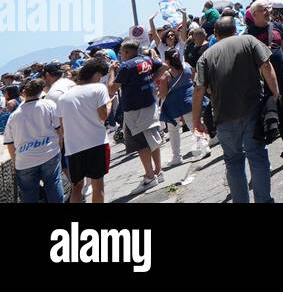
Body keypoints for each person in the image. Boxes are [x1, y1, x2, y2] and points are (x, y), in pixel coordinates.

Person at [193, 16, 279, 203]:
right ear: (235, 29)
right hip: (252, 110)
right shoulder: (249, 40)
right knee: (257, 156)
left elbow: (199, 88)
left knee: (233, 162)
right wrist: (275, 93)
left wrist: (196, 121)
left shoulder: (205, 57)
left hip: (223, 116)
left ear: (215, 34)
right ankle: (264, 200)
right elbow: (266, 65)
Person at [246, 0, 283, 162]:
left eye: (268, 8)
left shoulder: (276, 27)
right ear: (254, 14)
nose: (268, 11)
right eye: (263, 9)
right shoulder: (248, 36)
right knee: (280, 117)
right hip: (267, 86)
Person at [110, 38, 165, 192]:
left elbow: (111, 89)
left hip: (135, 108)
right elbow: (163, 66)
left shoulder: (126, 66)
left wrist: (112, 71)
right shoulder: (146, 59)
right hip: (149, 103)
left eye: (121, 52)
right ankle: (158, 172)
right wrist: (151, 81)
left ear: (126, 52)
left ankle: (149, 176)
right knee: (152, 138)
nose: (120, 55)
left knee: (141, 143)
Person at [57, 59, 114, 203]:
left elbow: (61, 128)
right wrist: (110, 103)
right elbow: (103, 116)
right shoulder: (98, 88)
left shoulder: (63, 98)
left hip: (73, 148)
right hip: (97, 143)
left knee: (76, 187)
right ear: (96, 75)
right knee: (97, 185)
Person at [3, 79, 63, 204]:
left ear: (24, 93)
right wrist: (59, 147)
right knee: (53, 184)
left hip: (25, 160)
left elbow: (9, 143)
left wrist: (16, 162)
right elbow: (59, 129)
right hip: (49, 152)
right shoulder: (49, 105)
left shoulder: (14, 116)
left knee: (29, 193)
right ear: (40, 91)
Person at [158, 48, 206, 167]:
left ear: (167, 60)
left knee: (173, 130)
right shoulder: (187, 66)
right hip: (190, 99)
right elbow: (194, 78)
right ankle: (204, 146)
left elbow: (163, 93)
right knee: (194, 124)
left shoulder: (166, 74)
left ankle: (176, 157)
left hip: (174, 104)